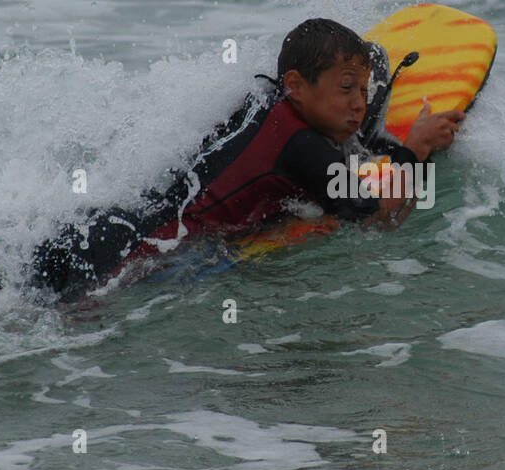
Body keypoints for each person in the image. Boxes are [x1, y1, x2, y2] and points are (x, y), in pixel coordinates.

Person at [31, 18, 465, 301]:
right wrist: (417, 150)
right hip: (138, 258)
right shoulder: (305, 149)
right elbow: (381, 222)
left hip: (102, 227)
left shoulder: (260, 98)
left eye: (364, 92)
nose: (358, 104)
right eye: (347, 88)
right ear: (296, 84)